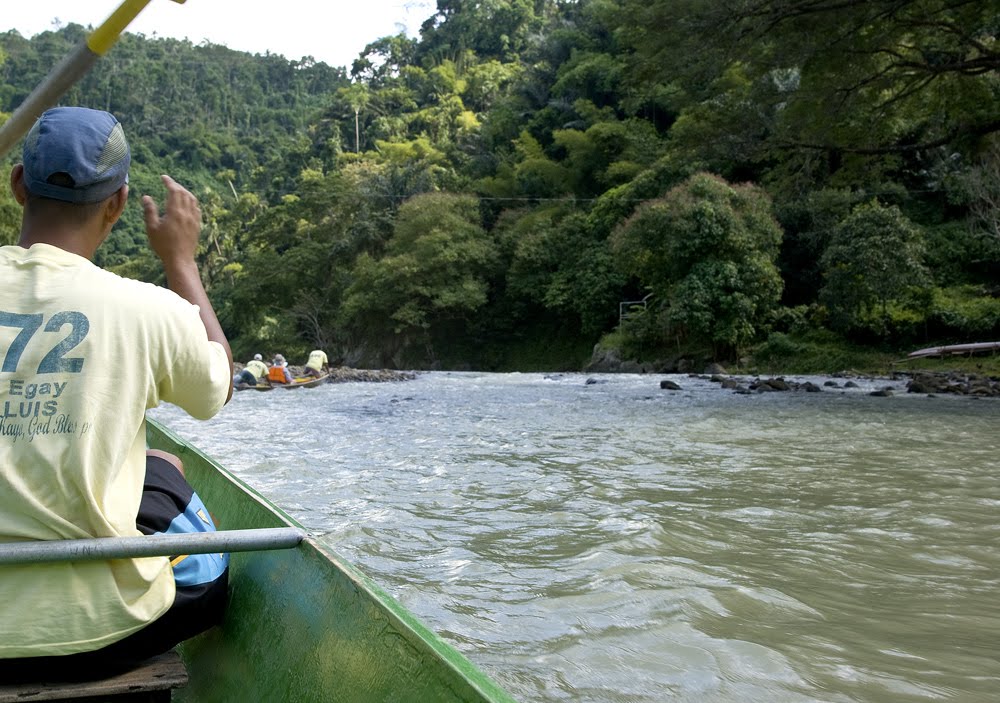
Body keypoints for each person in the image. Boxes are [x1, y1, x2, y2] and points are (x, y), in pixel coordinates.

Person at [0, 107, 233, 679]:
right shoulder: (148, 309)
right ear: (119, 204)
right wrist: (180, 261)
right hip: (97, 635)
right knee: (177, 499)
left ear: (17, 185)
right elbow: (216, 389)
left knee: (155, 465)